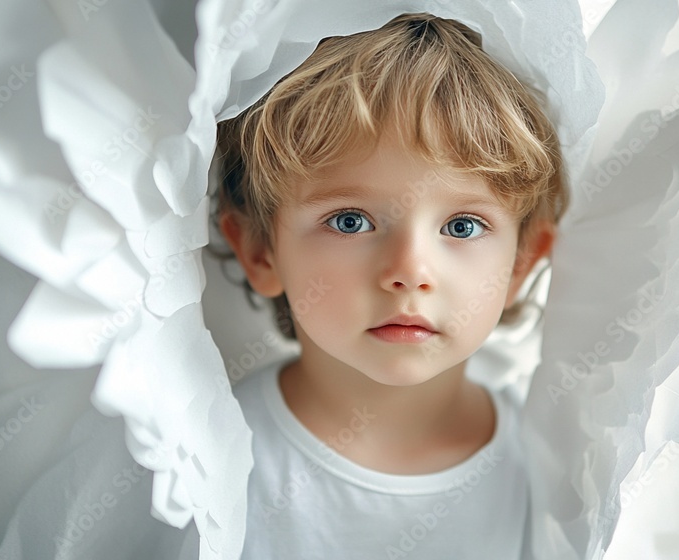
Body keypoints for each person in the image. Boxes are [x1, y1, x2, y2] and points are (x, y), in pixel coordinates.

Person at [215, 13, 564, 558]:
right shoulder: (204, 456)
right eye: (351, 220)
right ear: (261, 250)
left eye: (462, 226)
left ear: (520, 265)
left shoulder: (552, 471)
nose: (409, 271)